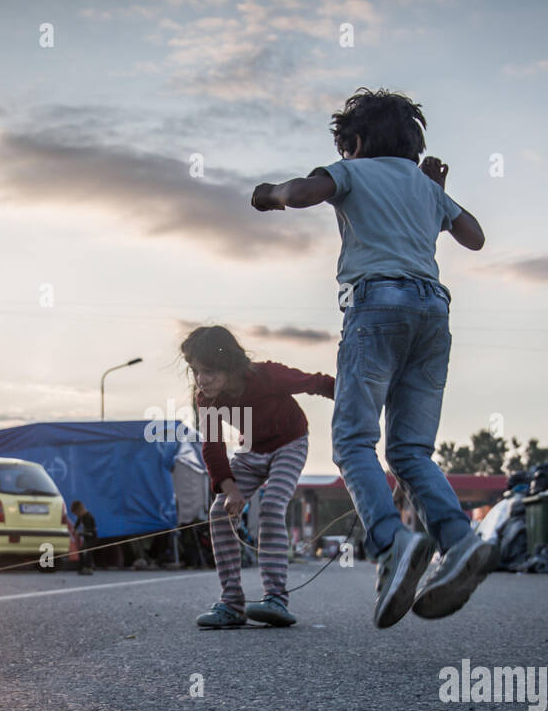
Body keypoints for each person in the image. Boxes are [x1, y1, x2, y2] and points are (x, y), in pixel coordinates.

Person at [250, 87, 491, 628]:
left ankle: (392, 542)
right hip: (433, 314)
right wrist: (438, 195)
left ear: (353, 142)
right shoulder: (425, 185)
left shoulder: (351, 171)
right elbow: (474, 237)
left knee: (355, 441)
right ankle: (460, 541)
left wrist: (268, 193)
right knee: (411, 451)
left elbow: (303, 192)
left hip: (377, 307)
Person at [182, 325, 334, 628]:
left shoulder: (268, 376)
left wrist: (360, 402)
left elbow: (317, 383)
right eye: (196, 371)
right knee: (219, 511)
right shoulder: (207, 400)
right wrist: (230, 490)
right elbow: (212, 447)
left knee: (271, 506)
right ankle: (232, 602)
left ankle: (276, 597)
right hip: (251, 451)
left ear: (230, 365)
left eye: (209, 371)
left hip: (289, 443)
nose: (202, 380)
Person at [70, 500, 98, 575]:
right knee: (81, 551)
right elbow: (77, 523)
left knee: (88, 552)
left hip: (92, 537)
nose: (77, 516)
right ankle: (82, 567)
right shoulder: (81, 516)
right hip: (87, 538)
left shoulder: (88, 517)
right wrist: (74, 529)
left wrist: (80, 533)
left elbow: (90, 531)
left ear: (80, 510)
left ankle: (88, 568)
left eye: (77, 514)